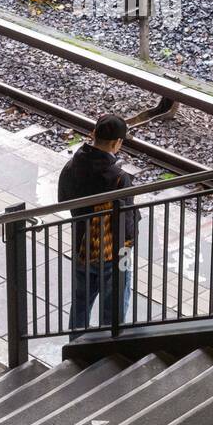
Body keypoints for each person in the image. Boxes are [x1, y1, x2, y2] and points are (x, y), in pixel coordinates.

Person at [61, 114, 136, 330]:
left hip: (82, 246)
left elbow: (64, 200)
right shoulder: (119, 177)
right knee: (114, 307)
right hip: (114, 252)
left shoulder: (71, 166)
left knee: (80, 303)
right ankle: (110, 348)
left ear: (93, 134)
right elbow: (127, 221)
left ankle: (76, 347)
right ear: (117, 143)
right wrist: (129, 244)